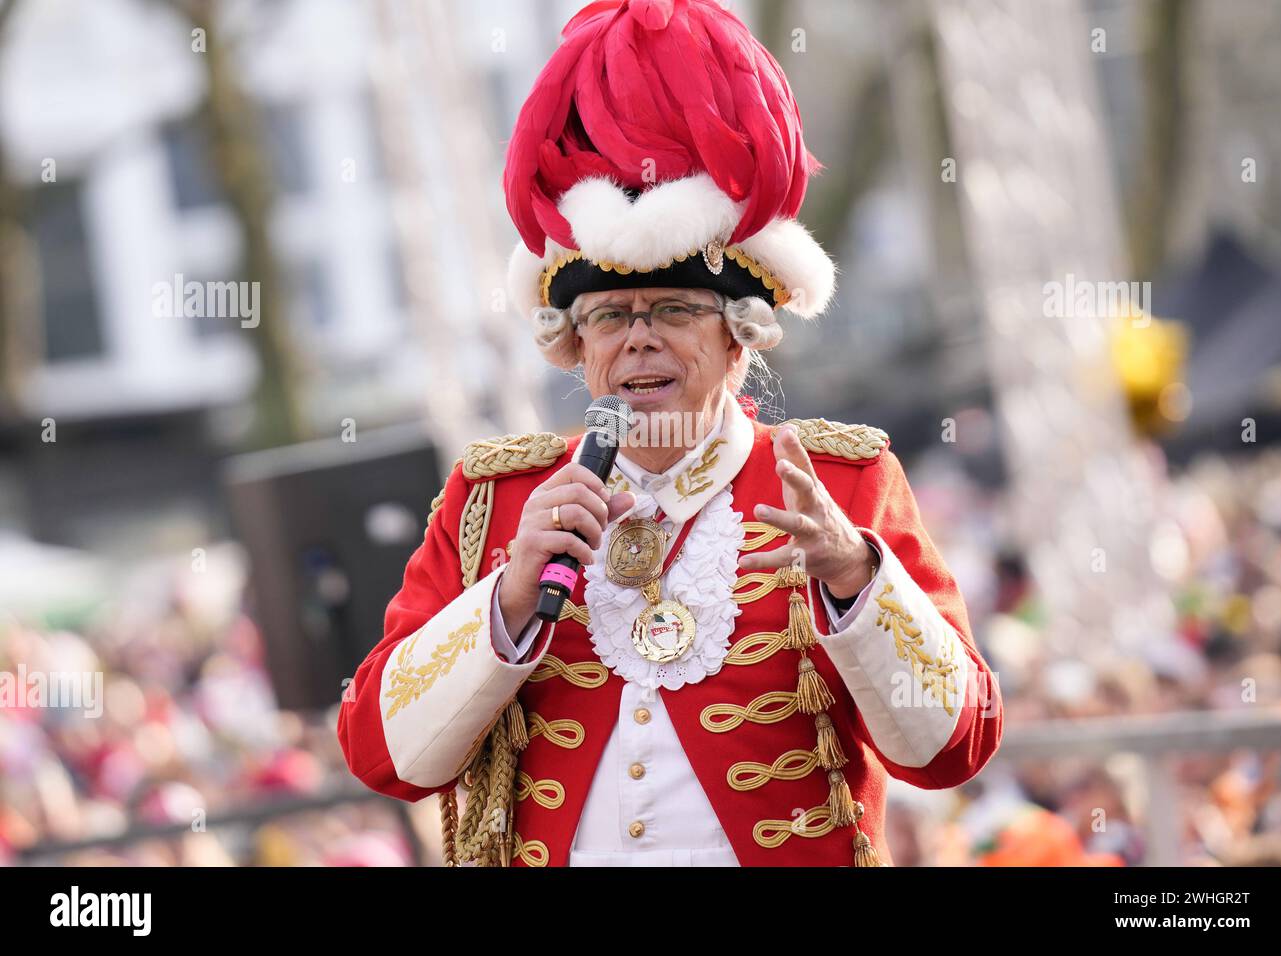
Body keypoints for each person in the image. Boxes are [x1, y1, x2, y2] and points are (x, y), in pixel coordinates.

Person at [337, 0, 1001, 867]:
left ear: (740, 334)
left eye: (675, 310)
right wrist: (504, 599)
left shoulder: (840, 484)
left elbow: (952, 749)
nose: (639, 338)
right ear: (574, 346)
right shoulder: (492, 504)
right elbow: (380, 757)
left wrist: (857, 581)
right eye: (610, 317)